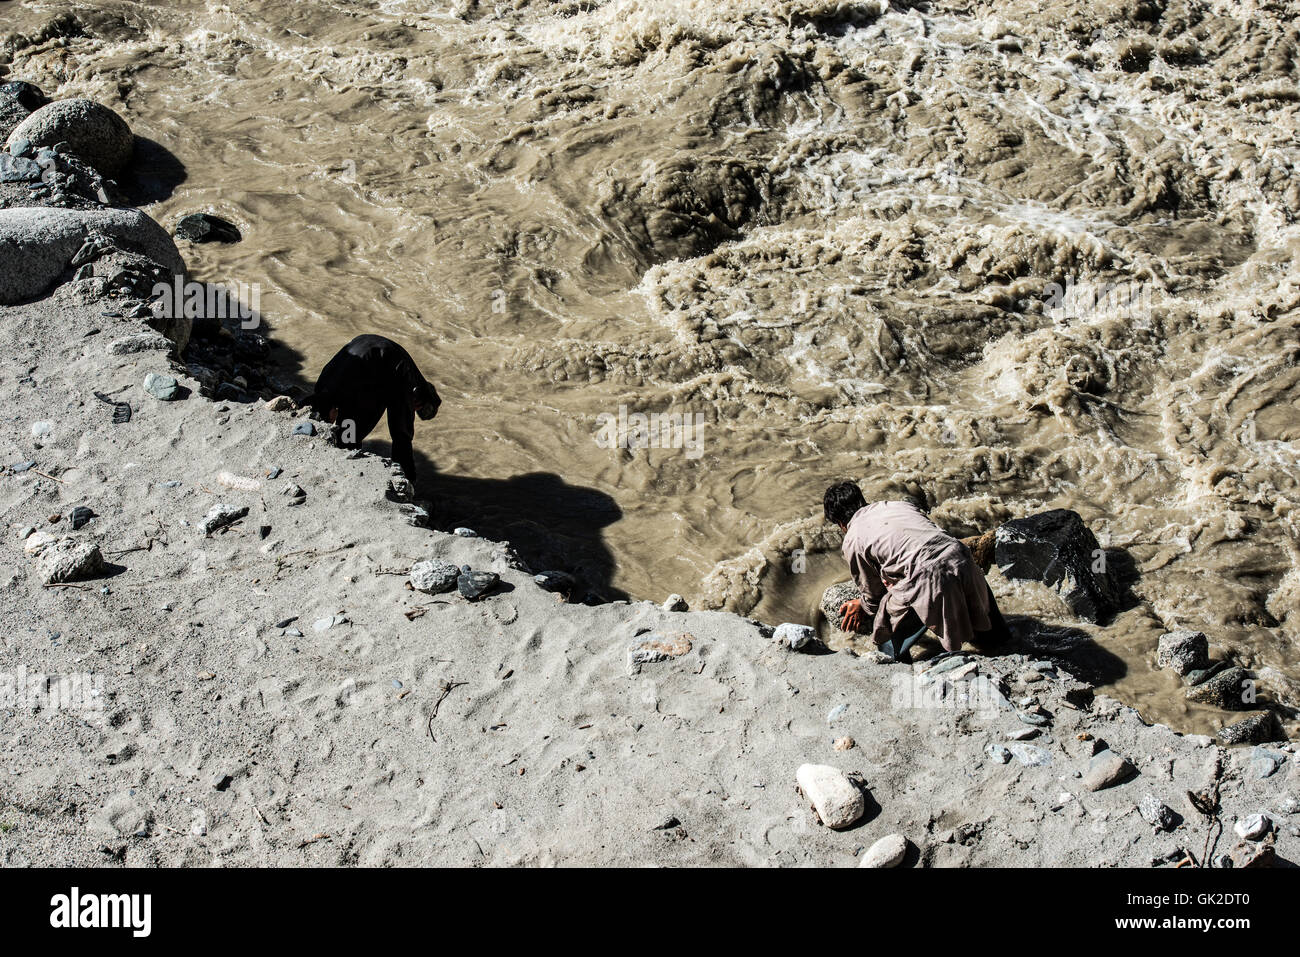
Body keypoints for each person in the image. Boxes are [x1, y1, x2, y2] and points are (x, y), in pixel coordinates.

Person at [823, 481, 1009, 660]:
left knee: (886, 624)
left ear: (840, 523)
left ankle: (894, 663)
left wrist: (862, 606)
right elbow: (921, 542)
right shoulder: (898, 506)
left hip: (930, 578)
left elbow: (873, 593)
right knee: (993, 635)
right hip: (961, 557)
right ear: (861, 500)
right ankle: (1005, 643)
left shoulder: (853, 538)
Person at [307, 334, 440, 481]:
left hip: (379, 360)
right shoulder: (333, 389)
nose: (331, 423)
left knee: (395, 430)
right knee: (394, 430)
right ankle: (353, 456)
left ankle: (403, 478)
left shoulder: (323, 387)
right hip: (375, 360)